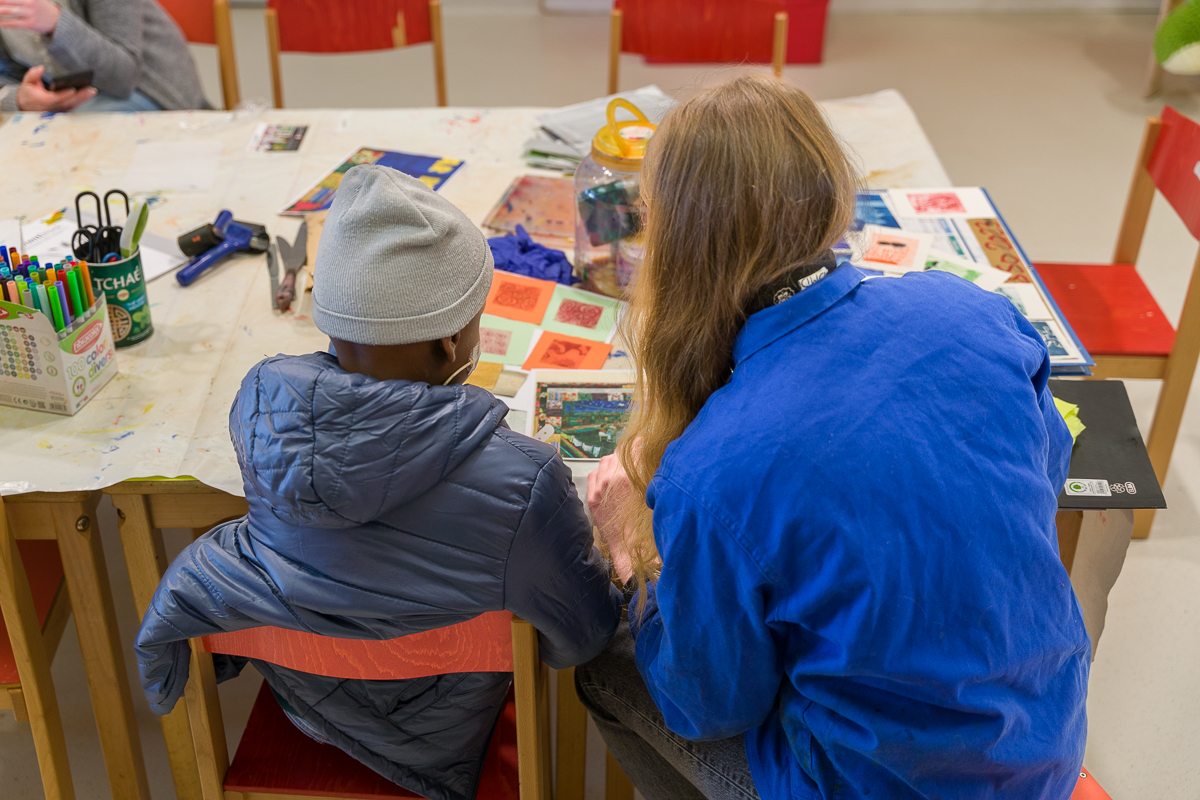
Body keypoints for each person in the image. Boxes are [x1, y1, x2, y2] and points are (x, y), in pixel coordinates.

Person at [579, 74, 1090, 800]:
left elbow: (707, 705)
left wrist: (635, 566)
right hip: (1041, 752)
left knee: (609, 668)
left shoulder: (710, 469)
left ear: (673, 239)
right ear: (830, 191)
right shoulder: (970, 310)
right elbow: (1048, 467)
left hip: (876, 786)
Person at [135, 165, 624, 800]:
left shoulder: (257, 411)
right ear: (453, 343)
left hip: (304, 705)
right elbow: (581, 641)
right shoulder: (526, 484)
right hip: (451, 738)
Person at [0, 0, 208, 114]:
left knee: (63, 143)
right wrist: (17, 99)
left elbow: (122, 77)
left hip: (151, 90)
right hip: (66, 100)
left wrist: (57, 23)